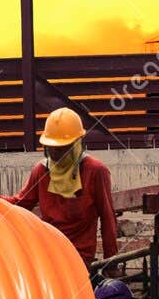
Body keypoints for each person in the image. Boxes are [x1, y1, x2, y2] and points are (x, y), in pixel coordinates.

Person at [7, 107, 118, 264]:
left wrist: (111, 261)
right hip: (49, 254)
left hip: (80, 258)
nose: (54, 153)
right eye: (51, 147)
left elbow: (108, 218)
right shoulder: (41, 171)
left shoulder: (95, 171)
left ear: (76, 144)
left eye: (61, 148)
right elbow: (19, 203)